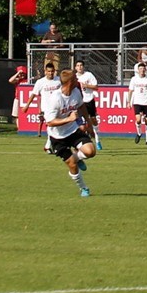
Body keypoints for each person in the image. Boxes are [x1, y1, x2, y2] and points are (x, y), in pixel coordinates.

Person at [41, 67, 96, 198]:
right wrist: (69, 119)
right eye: (76, 79)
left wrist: (88, 123)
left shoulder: (76, 92)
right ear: (70, 81)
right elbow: (50, 122)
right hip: (57, 137)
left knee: (90, 151)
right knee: (72, 165)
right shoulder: (55, 98)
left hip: (73, 131)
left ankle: (77, 157)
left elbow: (81, 106)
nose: (78, 80)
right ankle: (83, 188)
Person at [129, 55, 147, 144]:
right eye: (140, 69)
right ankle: (139, 133)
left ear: (145, 70)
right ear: (138, 70)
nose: (142, 70)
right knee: (138, 120)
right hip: (137, 102)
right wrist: (128, 102)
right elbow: (130, 90)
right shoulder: (134, 79)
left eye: (143, 69)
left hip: (146, 102)